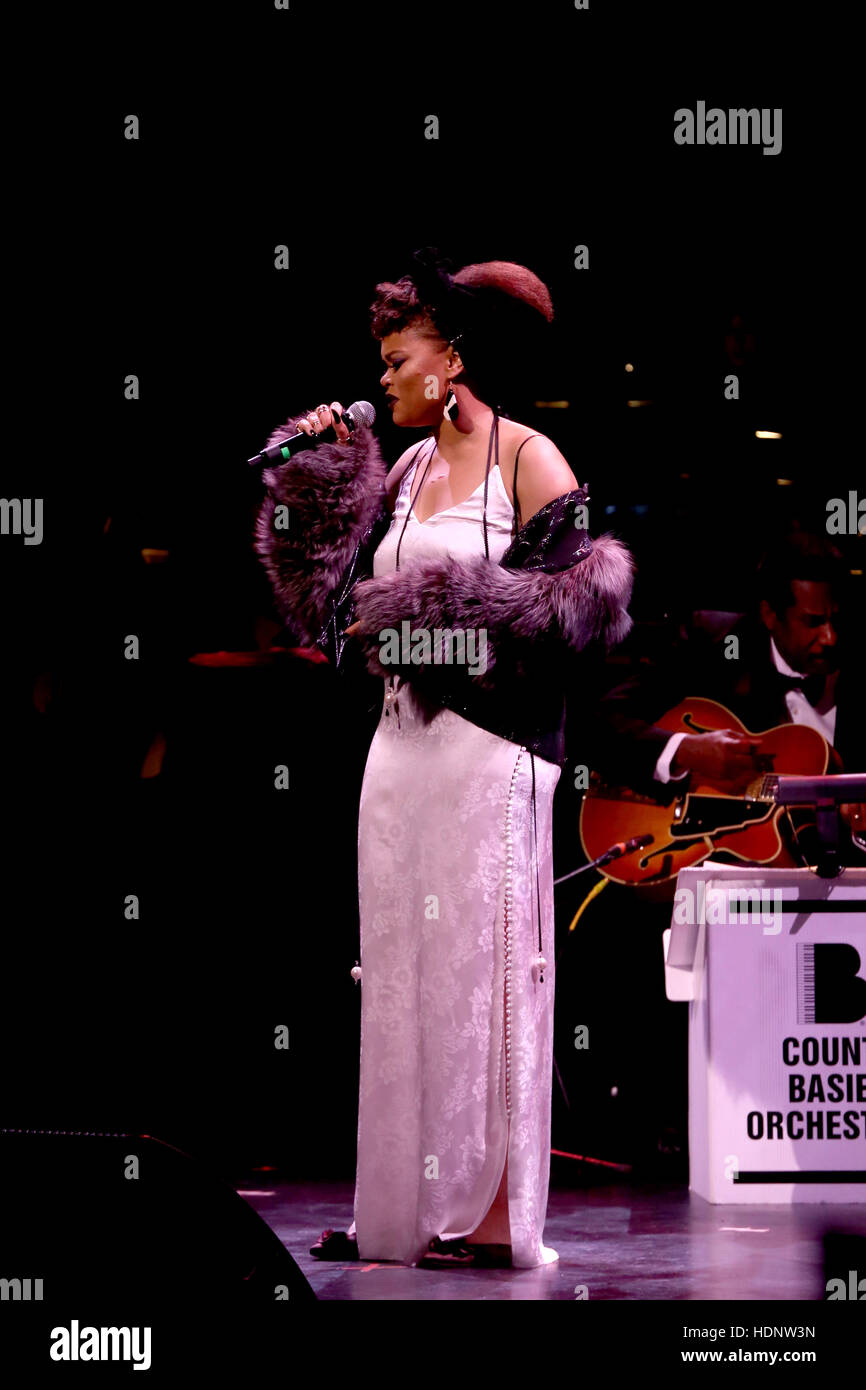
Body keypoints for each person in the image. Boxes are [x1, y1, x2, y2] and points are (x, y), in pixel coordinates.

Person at [254, 248, 634, 1268]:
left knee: (491, 976)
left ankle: (497, 1219)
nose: (379, 378)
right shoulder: (408, 468)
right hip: (398, 753)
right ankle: (403, 1211)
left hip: (489, 752)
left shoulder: (529, 459)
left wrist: (423, 633)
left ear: (451, 355)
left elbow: (575, 623)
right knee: (403, 976)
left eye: (395, 356)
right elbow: (337, 624)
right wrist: (319, 479)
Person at [591, 529, 865, 864]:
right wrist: (685, 751)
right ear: (769, 615)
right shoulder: (713, 643)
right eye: (813, 622)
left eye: (836, 619)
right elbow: (599, 724)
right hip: (710, 873)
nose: (831, 637)